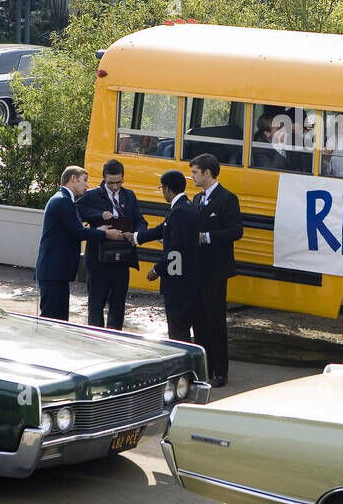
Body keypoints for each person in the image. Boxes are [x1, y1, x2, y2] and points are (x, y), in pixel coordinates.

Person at [189, 153, 243, 387]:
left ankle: (220, 371)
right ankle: (204, 368)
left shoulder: (227, 199)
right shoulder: (195, 199)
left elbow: (235, 231)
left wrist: (207, 237)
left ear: (207, 173)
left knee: (215, 321)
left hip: (216, 270)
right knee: (198, 321)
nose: (191, 177)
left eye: (194, 173)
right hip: (196, 269)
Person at [77, 159, 147, 329]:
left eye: (119, 182)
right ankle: (95, 338)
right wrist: (99, 215)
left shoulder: (129, 195)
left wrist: (135, 235)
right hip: (99, 259)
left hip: (121, 258)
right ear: (103, 179)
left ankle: (115, 337)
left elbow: (141, 221)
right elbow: (77, 213)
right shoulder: (92, 195)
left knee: (118, 306)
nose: (115, 187)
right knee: (96, 306)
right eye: (111, 183)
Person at [35, 166, 111, 321]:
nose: (87, 185)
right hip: (54, 271)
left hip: (56, 271)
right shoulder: (63, 201)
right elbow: (79, 232)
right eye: (84, 180)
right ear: (73, 179)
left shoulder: (63, 199)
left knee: (58, 320)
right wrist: (104, 233)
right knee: (53, 320)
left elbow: (75, 229)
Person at [133, 170, 200, 344]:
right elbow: (162, 229)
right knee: (180, 326)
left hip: (178, 281)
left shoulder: (179, 212)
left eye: (162, 188)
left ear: (168, 189)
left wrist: (157, 269)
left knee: (178, 329)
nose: (162, 192)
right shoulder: (185, 206)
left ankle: (181, 366)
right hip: (185, 279)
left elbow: (177, 250)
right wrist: (135, 237)